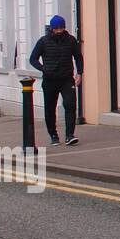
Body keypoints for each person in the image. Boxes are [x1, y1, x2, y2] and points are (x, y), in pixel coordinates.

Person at [29, 15, 83, 146]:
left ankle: (70, 135)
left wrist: (80, 73)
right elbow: (33, 59)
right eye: (57, 29)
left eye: (61, 28)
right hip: (50, 80)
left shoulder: (70, 40)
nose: (59, 31)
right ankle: (53, 135)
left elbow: (78, 57)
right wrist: (43, 69)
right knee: (50, 108)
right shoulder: (43, 41)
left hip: (66, 79)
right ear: (52, 29)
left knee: (70, 105)